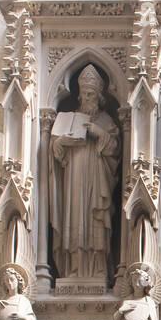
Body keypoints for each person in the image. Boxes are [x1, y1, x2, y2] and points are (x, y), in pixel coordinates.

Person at [49, 64, 120, 281]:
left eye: (91, 94)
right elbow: (55, 151)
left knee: (95, 218)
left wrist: (99, 133)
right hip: (75, 176)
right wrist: (60, 142)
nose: (86, 98)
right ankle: (74, 268)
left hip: (97, 176)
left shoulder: (106, 121)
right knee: (75, 216)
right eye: (84, 94)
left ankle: (97, 268)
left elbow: (115, 149)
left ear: (99, 96)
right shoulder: (69, 119)